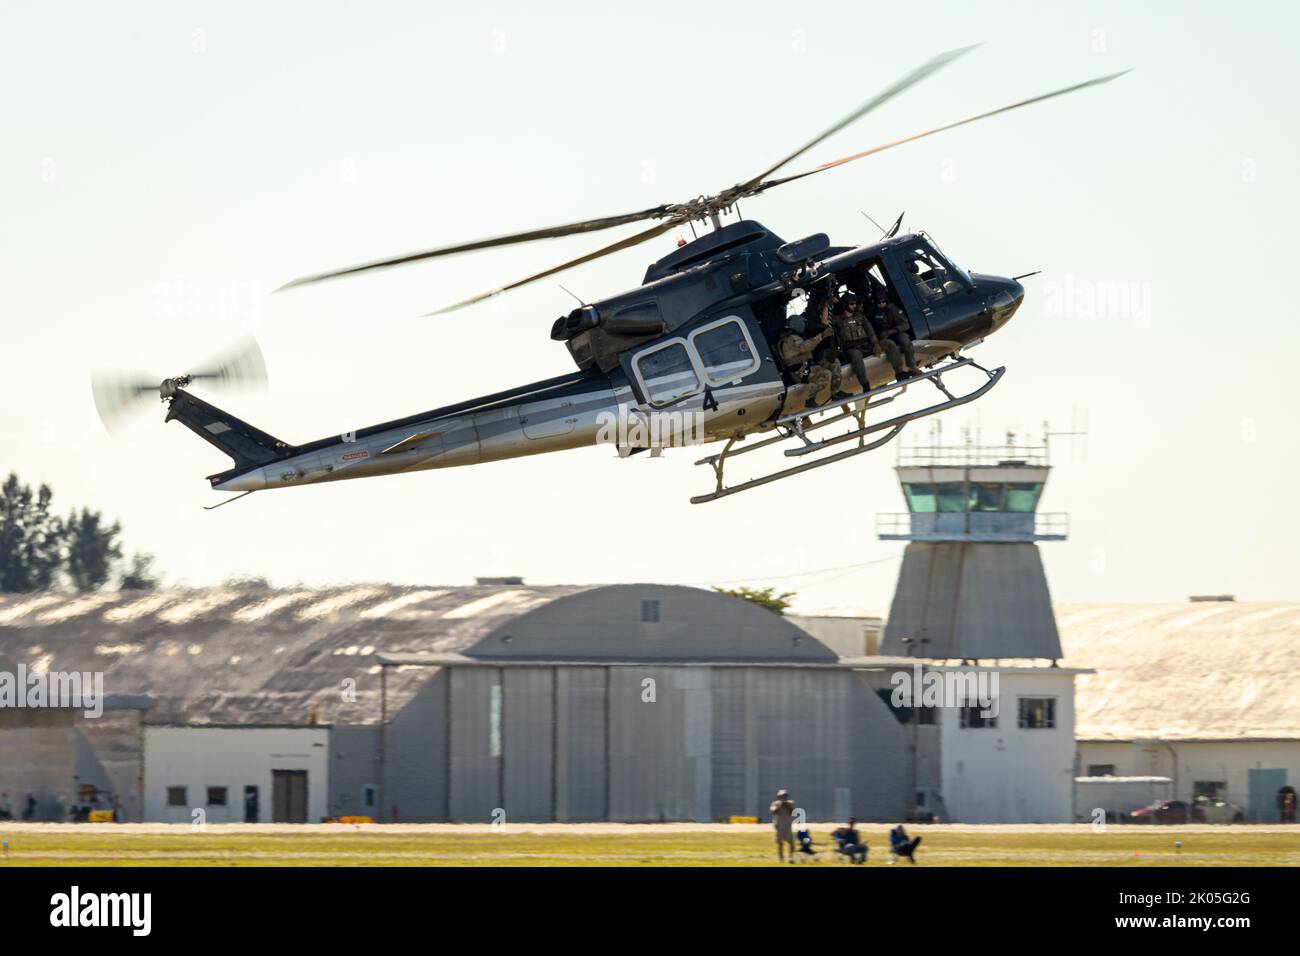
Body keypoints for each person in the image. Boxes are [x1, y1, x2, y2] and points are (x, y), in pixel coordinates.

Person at [830, 293, 877, 394]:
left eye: (855, 304)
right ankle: (865, 384)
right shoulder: (837, 320)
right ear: (845, 305)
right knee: (856, 355)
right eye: (851, 304)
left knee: (889, 344)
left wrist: (876, 344)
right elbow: (827, 325)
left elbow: (870, 331)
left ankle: (900, 373)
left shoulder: (860, 316)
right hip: (850, 349)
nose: (854, 306)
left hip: (866, 345)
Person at [871, 289, 919, 380]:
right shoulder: (872, 311)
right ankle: (899, 372)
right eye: (878, 302)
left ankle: (912, 365)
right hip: (881, 338)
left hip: (894, 333)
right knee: (890, 345)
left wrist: (891, 331)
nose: (881, 304)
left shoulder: (893, 309)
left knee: (904, 339)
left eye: (883, 301)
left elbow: (905, 325)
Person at [770, 789, 797, 863]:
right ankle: (781, 859)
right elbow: (773, 811)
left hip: (788, 826)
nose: (784, 798)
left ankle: (791, 858)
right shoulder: (775, 803)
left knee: (791, 843)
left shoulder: (791, 803)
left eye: (785, 796)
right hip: (779, 826)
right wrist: (780, 805)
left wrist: (787, 805)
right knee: (780, 843)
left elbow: (792, 812)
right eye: (782, 796)